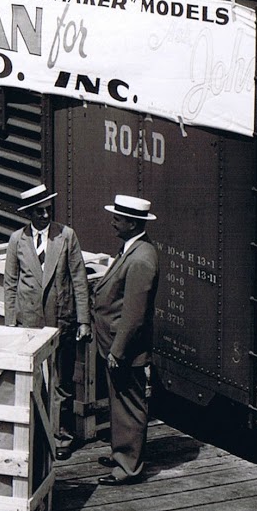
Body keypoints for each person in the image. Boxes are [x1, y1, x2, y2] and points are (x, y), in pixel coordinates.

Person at [3, 183, 91, 460]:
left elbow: (79, 279)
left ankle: (61, 436)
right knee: (33, 379)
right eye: (38, 212)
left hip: (60, 321)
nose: (44, 216)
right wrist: (10, 324)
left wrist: (84, 321)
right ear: (29, 213)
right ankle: (36, 432)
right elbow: (10, 284)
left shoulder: (66, 236)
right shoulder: (17, 240)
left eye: (47, 210)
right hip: (29, 323)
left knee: (61, 382)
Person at [90, 194, 160, 484]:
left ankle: (128, 467)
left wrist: (118, 351)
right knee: (120, 403)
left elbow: (134, 314)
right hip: (116, 345)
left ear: (132, 223)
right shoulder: (132, 250)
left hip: (126, 349)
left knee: (130, 405)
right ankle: (122, 453)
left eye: (117, 219)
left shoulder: (142, 259)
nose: (113, 223)